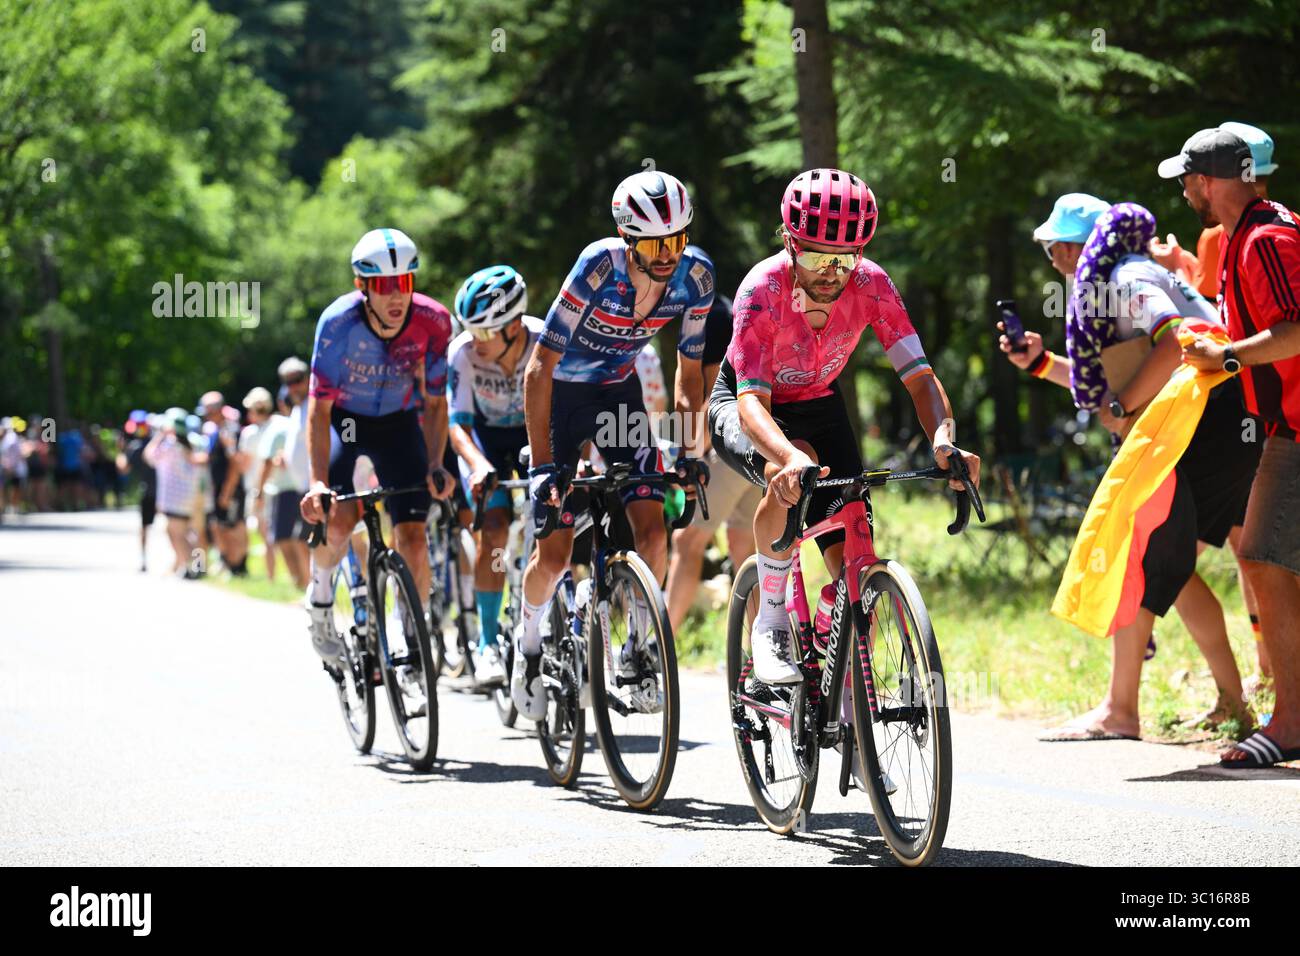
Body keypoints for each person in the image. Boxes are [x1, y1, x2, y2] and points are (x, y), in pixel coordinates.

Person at [709, 167, 979, 684]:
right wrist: (786, 458)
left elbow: (920, 378)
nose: (831, 272)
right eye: (816, 256)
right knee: (794, 466)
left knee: (855, 540)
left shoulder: (871, 285)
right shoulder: (762, 289)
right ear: (790, 241)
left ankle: (846, 694)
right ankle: (769, 624)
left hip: (818, 400)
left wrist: (944, 440)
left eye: (845, 258)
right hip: (748, 405)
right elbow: (750, 403)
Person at [1004, 196, 1259, 740]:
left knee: (1138, 557)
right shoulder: (1122, 276)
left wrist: (1121, 410)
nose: (1052, 261)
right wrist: (1042, 363)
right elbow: (1117, 378)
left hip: (1199, 426)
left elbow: (1174, 346)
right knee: (1168, 569)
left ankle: (1123, 712)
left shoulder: (1127, 275)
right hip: (1222, 422)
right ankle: (1231, 703)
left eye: (1055, 248)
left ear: (1080, 244)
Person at [512, 170, 714, 718]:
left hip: (617, 394)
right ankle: (528, 646)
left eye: (677, 240)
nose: (669, 254)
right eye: (654, 244)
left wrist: (691, 450)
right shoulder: (597, 267)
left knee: (653, 530)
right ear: (628, 240)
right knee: (553, 555)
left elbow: (688, 374)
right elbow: (539, 366)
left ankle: (636, 650)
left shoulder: (696, 278)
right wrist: (545, 468)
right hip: (561, 396)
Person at [1167, 128, 1300, 768]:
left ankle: (1292, 720)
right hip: (1283, 428)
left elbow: (1295, 329)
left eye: (1188, 178)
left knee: (1265, 558)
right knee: (1266, 559)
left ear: (1210, 180)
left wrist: (1227, 355)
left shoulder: (1267, 238)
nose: (1186, 189)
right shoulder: (1245, 236)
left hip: (1297, 430)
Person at [299, 228, 454, 664]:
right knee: (339, 516)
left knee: (414, 537)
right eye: (384, 286)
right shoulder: (337, 324)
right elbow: (319, 410)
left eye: (404, 282)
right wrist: (317, 482)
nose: (395, 296)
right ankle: (322, 598)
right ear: (362, 287)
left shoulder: (435, 321)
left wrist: (436, 462)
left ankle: (412, 632)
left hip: (399, 423)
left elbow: (437, 402)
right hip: (346, 423)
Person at [447, 265, 543, 687]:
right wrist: (477, 466)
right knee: (494, 531)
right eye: (471, 330)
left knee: (555, 519)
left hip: (533, 429)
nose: (476, 341)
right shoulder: (463, 352)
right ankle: (487, 643)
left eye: (486, 332)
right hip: (485, 439)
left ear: (515, 325)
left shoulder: (544, 340)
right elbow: (457, 426)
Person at [665, 292, 760, 633]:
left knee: (687, 540)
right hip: (761, 436)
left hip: (733, 440)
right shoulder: (722, 310)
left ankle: (657, 644)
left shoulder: (710, 318)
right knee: (744, 546)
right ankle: (761, 653)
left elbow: (716, 393)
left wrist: (693, 454)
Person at [1150, 122, 1278, 301]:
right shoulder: (1288, 222)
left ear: (1208, 180)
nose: (1185, 193)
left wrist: (1176, 268)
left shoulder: (1223, 233)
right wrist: (1194, 267)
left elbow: (1212, 318)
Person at [258, 371, 311, 589]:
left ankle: (302, 584)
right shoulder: (300, 421)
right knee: (298, 539)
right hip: (302, 487)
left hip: (287, 490)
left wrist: (258, 492)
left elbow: (268, 463)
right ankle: (303, 585)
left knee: (288, 539)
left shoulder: (280, 426)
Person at [144, 408, 202, 577]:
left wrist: (160, 435)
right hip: (190, 496)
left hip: (174, 498)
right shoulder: (193, 443)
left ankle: (194, 567)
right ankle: (193, 566)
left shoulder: (170, 444)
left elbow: (149, 456)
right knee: (188, 534)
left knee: (176, 534)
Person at [198, 392, 249, 577]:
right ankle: (230, 564)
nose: (206, 415)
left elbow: (236, 464)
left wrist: (227, 492)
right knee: (221, 526)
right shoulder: (215, 430)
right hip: (219, 488)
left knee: (234, 527)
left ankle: (239, 568)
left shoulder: (229, 430)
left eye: (208, 411)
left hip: (231, 489)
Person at [240, 388, 275, 580]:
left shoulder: (250, 434)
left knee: (265, 536)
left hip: (257, 489)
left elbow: (244, 465)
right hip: (277, 487)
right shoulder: (278, 425)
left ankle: (270, 577)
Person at [119, 410, 157, 571]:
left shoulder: (135, 447)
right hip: (162, 490)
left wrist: (121, 451)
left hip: (148, 490)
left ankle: (144, 560)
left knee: (145, 526)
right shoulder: (157, 442)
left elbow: (123, 469)